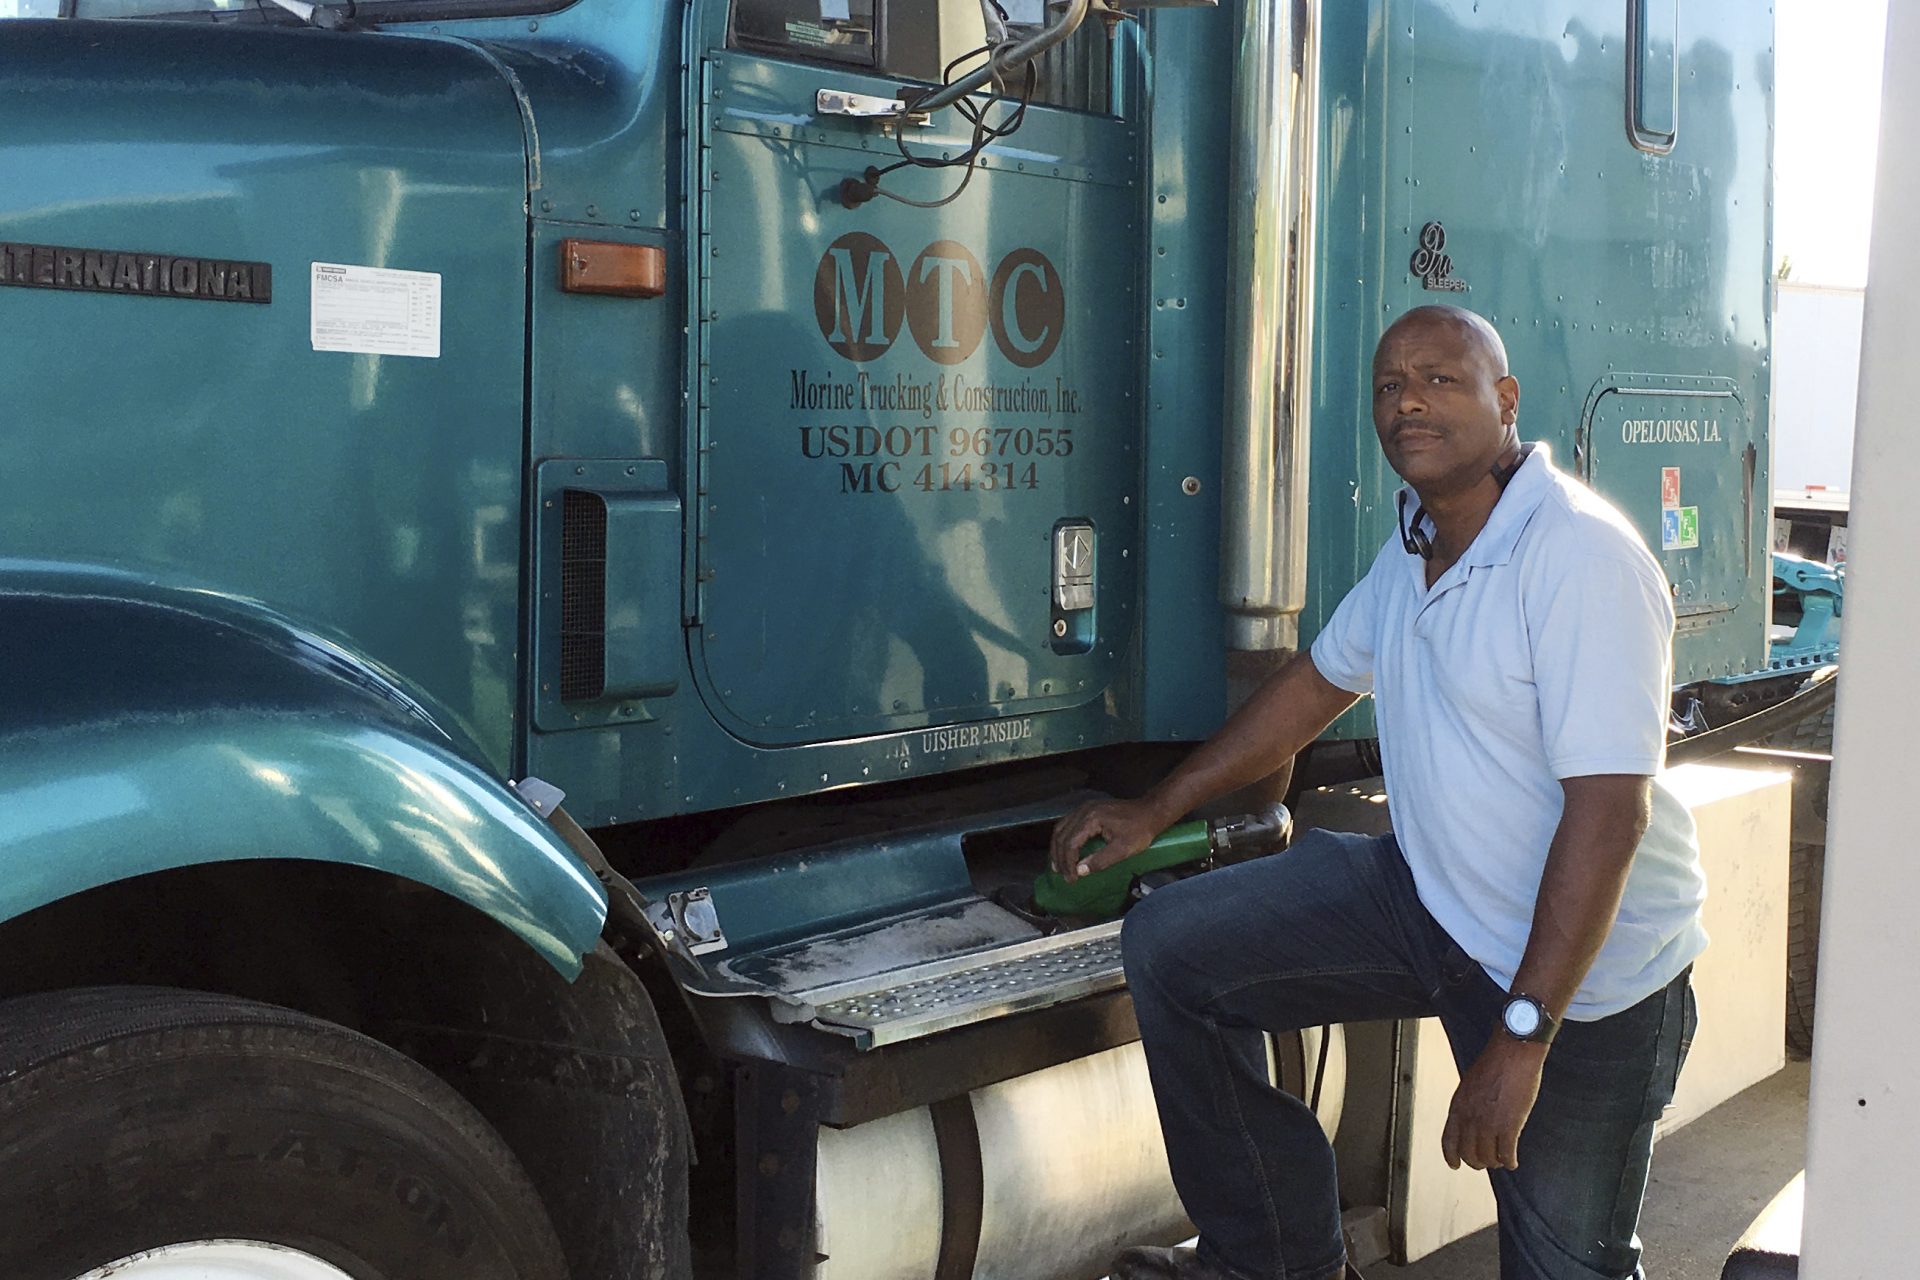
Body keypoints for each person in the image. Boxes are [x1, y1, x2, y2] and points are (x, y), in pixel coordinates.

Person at [1052, 305, 1704, 1280]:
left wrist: (1520, 1039)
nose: (1408, 401)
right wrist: (1160, 805)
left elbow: (1611, 814)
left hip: (1585, 982)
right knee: (1173, 945)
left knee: (1567, 1265)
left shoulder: (1579, 556)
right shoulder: (1412, 545)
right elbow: (1316, 682)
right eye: (1389, 385)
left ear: (1506, 399)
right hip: (1430, 903)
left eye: (1441, 378)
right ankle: (1270, 1257)